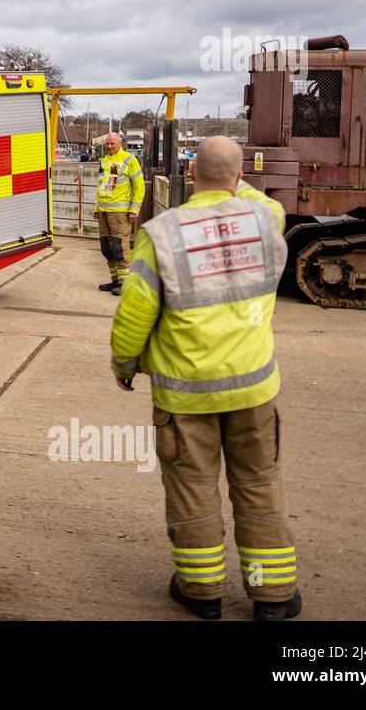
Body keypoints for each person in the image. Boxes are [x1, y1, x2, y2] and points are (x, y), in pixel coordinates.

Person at [109, 136, 301, 621]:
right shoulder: (267, 219)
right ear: (238, 178)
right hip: (253, 389)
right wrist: (238, 182)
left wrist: (125, 365)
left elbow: (134, 313)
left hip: (185, 393)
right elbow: (251, 196)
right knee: (258, 483)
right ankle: (273, 598)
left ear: (190, 176)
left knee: (193, 486)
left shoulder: (163, 233)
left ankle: (201, 593)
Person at [94, 133, 145, 295]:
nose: (109, 146)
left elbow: (139, 186)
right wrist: (96, 207)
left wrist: (134, 209)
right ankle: (115, 280)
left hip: (120, 213)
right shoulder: (104, 161)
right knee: (107, 248)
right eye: (107, 144)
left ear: (120, 143)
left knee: (119, 248)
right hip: (103, 211)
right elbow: (102, 186)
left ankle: (126, 283)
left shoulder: (130, 160)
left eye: (112, 144)